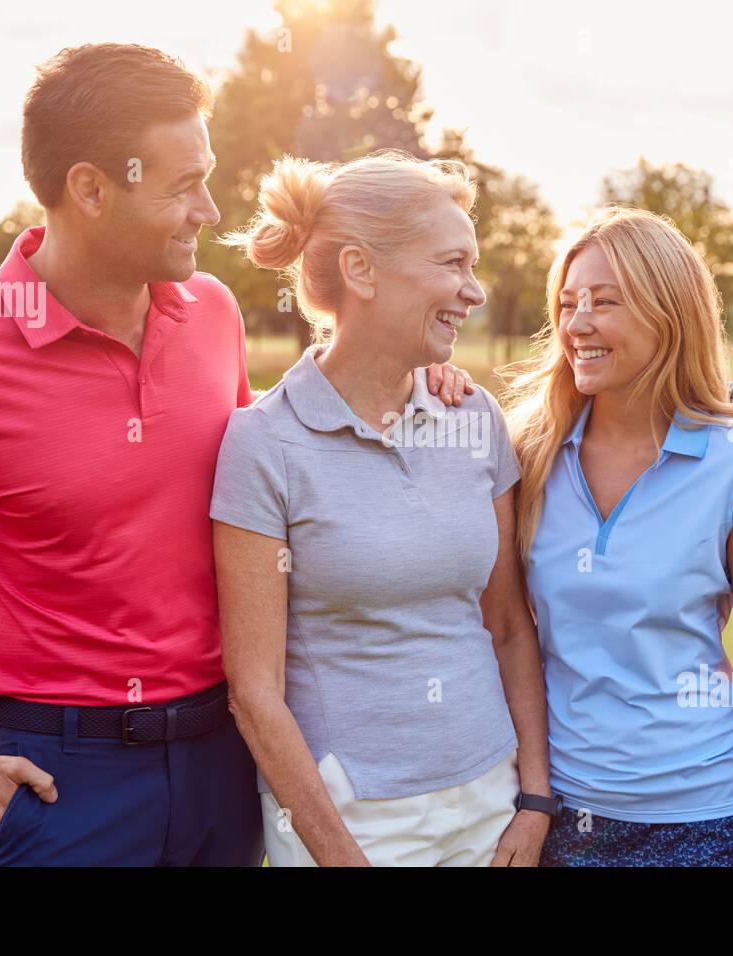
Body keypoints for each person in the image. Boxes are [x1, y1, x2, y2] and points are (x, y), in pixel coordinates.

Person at [0, 44, 470, 867]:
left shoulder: (212, 314)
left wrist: (406, 354)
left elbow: (279, 462)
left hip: (226, 757)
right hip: (65, 784)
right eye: (183, 187)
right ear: (92, 189)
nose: (208, 210)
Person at [210, 151, 554, 866]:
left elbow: (510, 627)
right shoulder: (263, 442)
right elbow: (255, 692)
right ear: (361, 270)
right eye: (452, 263)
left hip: (491, 806)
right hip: (352, 819)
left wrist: (534, 800)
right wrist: (338, 854)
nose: (475, 290)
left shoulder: (474, 416)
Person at [501, 206, 733, 866]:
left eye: (603, 302)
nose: (577, 324)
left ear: (669, 314)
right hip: (562, 813)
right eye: (569, 302)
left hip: (705, 820)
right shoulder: (526, 454)